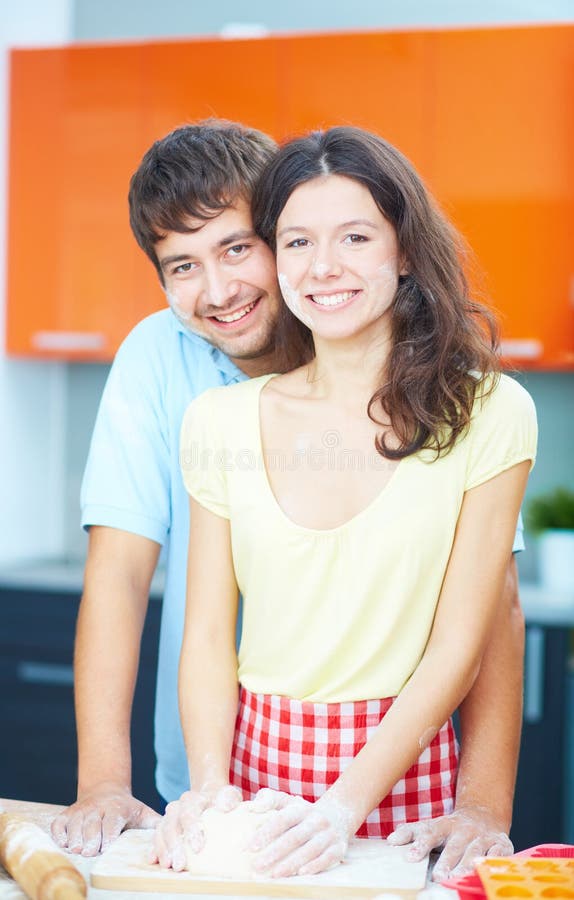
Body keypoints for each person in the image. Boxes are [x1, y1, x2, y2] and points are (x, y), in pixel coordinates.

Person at [50, 119, 527, 879]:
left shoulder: (412, 367)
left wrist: (483, 802)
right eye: (182, 266)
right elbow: (119, 573)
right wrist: (108, 783)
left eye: (240, 248)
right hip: (212, 774)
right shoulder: (165, 365)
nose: (219, 290)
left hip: (398, 782)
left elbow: (488, 604)